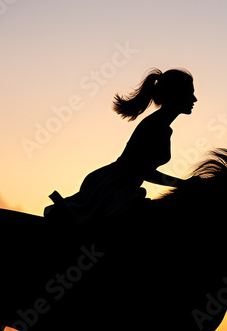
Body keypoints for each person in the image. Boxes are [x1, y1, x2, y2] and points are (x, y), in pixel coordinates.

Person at [45, 68, 196, 227]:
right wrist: (183, 184)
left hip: (116, 185)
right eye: (190, 93)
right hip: (113, 189)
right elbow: (143, 171)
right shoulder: (156, 126)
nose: (194, 99)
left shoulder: (161, 126)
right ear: (176, 94)